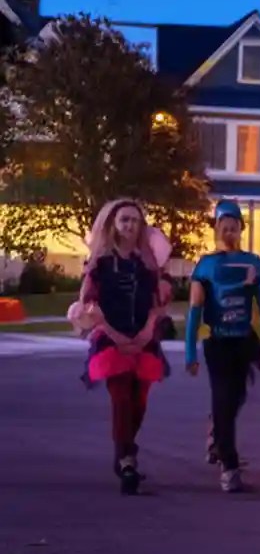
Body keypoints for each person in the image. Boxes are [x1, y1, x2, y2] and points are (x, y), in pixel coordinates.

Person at [71, 199, 171, 495]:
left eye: (134, 220)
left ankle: (125, 448)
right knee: (121, 397)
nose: (129, 225)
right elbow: (90, 307)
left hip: (143, 338)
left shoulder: (147, 265)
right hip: (110, 339)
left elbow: (158, 306)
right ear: (113, 224)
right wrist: (113, 334)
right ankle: (127, 460)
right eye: (124, 220)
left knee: (139, 401)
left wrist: (145, 333)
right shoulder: (99, 265)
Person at [185, 199, 260, 493]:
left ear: (240, 229)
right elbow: (194, 312)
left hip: (243, 339)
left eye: (233, 227)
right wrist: (190, 352)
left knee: (235, 397)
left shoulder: (253, 263)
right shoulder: (206, 266)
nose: (228, 232)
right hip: (218, 342)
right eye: (223, 227)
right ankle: (229, 466)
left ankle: (217, 431)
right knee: (223, 397)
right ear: (215, 230)